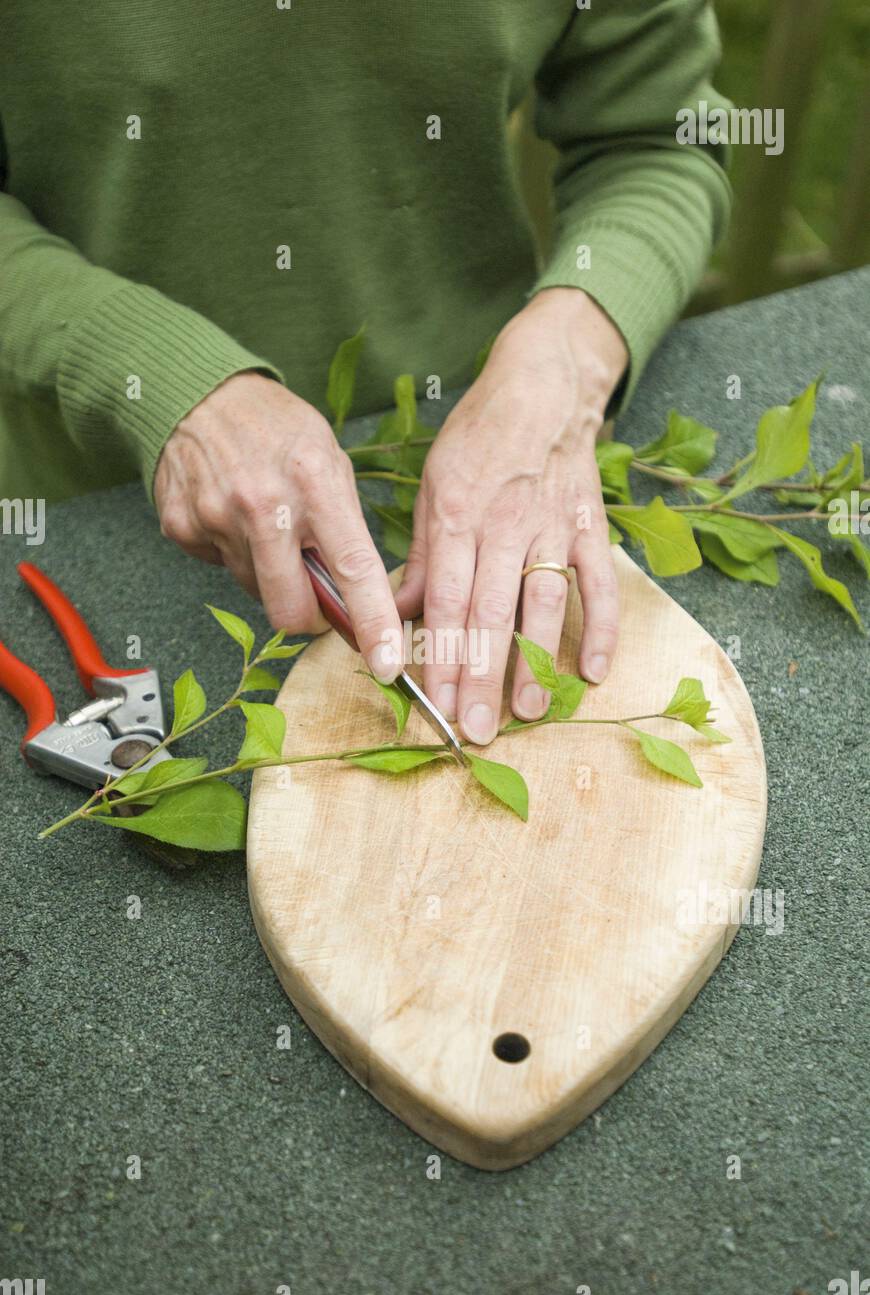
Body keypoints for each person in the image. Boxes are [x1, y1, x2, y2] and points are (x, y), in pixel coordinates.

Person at [0, 2, 730, 745]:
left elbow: (658, 138)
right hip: (87, 512)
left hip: (473, 466)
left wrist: (561, 365)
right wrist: (149, 371)